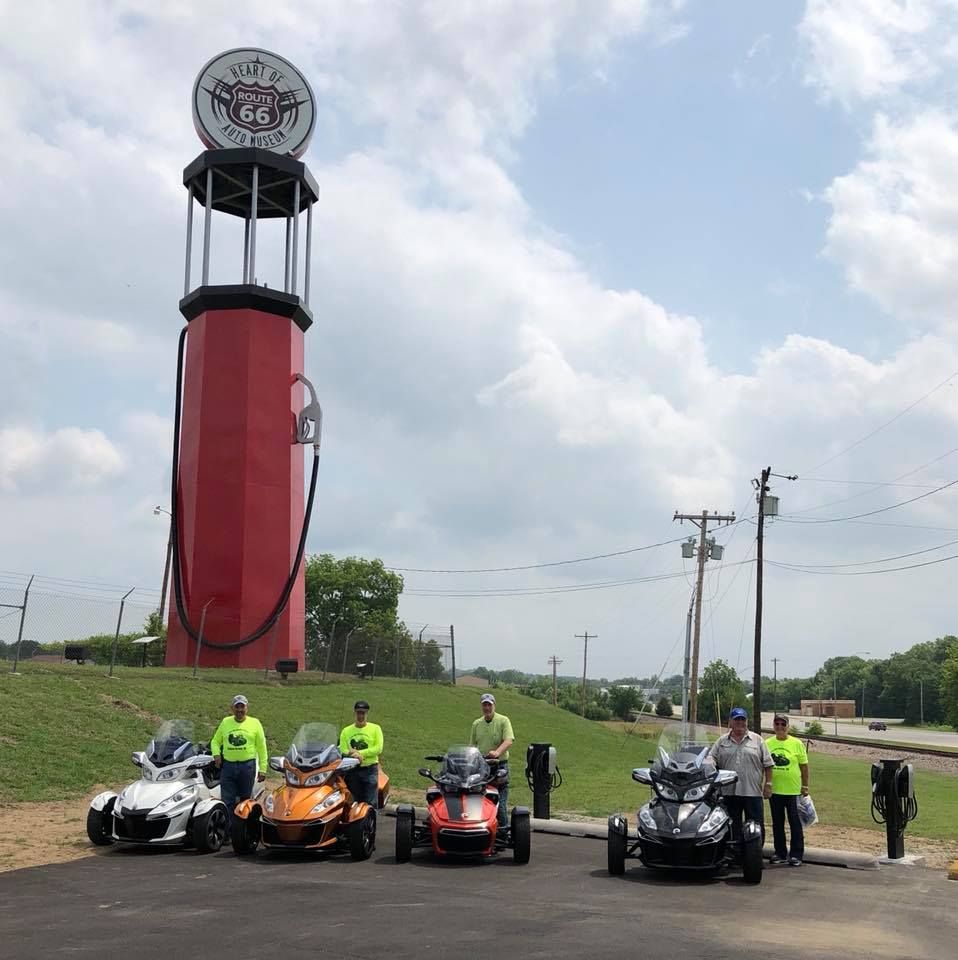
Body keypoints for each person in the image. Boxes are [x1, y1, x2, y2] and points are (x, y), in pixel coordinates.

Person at [708, 706, 773, 846]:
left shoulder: (757, 740)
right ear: (730, 721)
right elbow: (711, 758)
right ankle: (734, 854)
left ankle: (754, 855)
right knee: (731, 825)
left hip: (752, 791)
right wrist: (709, 764)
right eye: (737, 719)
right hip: (728, 791)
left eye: (742, 719)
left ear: (747, 721)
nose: (740, 722)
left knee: (756, 825)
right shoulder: (721, 741)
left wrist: (768, 784)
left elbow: (768, 764)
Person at [210, 694, 267, 830]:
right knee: (227, 801)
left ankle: (244, 831)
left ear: (247, 708)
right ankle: (229, 831)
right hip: (228, 766)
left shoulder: (255, 723)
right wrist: (216, 754)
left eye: (242, 707)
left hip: (247, 766)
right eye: (237, 707)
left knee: (245, 800)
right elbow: (215, 741)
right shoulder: (225, 722)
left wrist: (263, 769)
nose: (240, 710)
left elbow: (262, 747)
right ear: (232, 708)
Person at [766, 715, 810, 866]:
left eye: (783, 724)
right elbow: (764, 766)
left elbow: (804, 767)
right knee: (777, 823)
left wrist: (805, 786)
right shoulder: (767, 743)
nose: (780, 727)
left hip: (793, 790)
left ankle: (796, 854)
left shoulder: (796, 743)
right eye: (777, 724)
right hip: (776, 790)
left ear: (788, 726)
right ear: (773, 726)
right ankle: (780, 853)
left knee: (795, 823)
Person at [469, 693, 514, 830]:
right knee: (477, 801)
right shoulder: (477, 724)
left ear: (494, 705)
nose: (487, 708)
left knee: (498, 804)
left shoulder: (503, 720)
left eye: (489, 704)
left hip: (499, 766)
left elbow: (509, 740)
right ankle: (478, 830)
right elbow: (471, 746)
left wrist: (497, 753)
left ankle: (504, 831)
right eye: (484, 705)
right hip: (482, 767)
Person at [339, 700, 383, 808]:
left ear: (367, 713)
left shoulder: (375, 729)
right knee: (353, 802)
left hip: (370, 770)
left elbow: (378, 748)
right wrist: (353, 755)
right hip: (352, 771)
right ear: (355, 713)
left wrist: (360, 753)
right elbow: (343, 750)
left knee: (371, 803)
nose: (361, 716)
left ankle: (370, 823)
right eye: (358, 712)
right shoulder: (346, 731)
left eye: (363, 713)